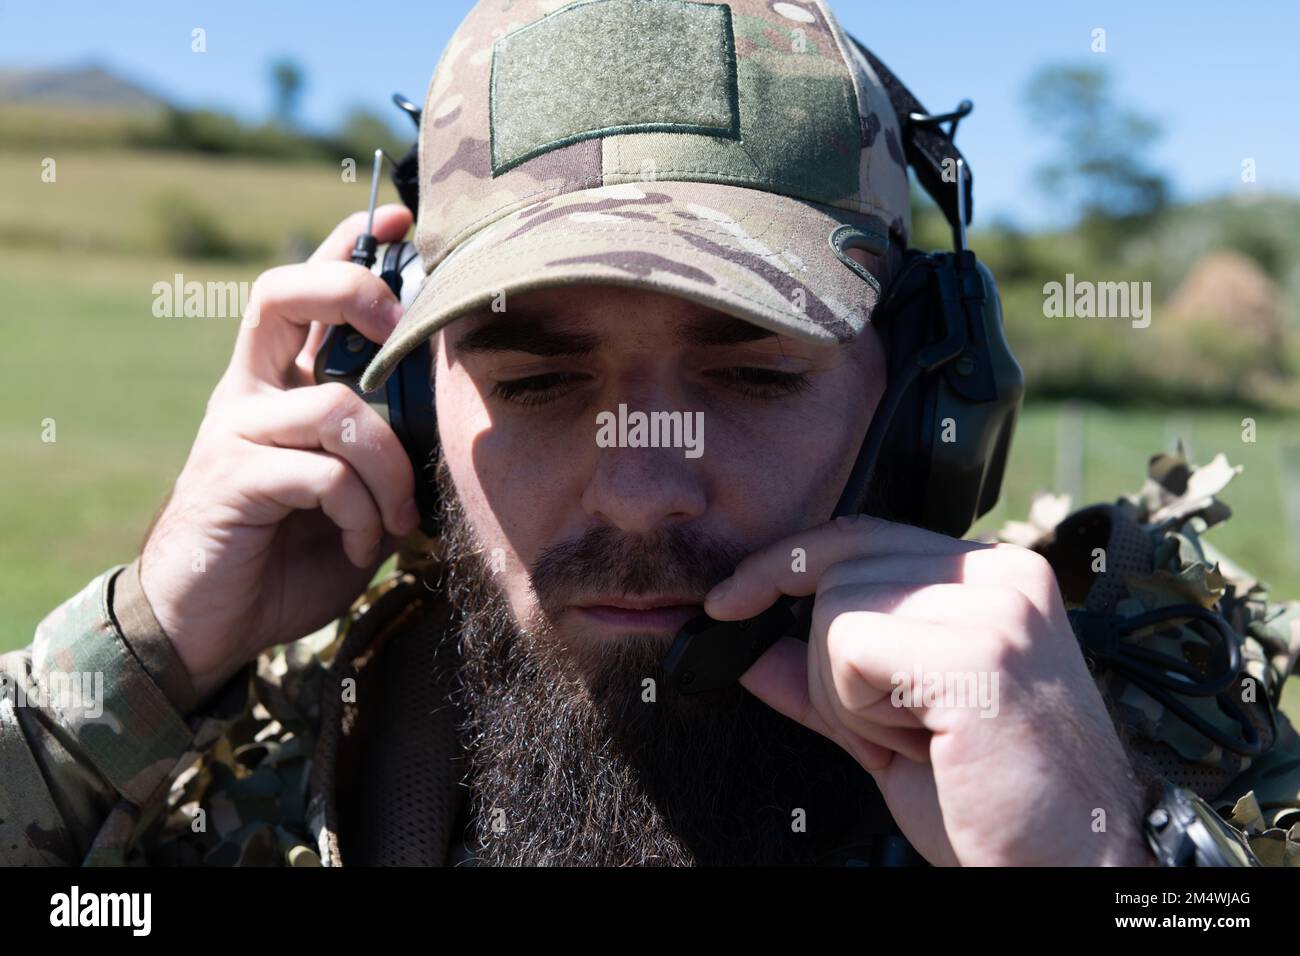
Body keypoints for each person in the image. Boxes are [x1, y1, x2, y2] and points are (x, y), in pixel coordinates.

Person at [3, 0, 1297, 867]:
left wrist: (1111, 848)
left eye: (750, 375)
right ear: (397, 404)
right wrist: (144, 653)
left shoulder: (1189, 702)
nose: (638, 492)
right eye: (539, 384)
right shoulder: (246, 756)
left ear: (926, 411)